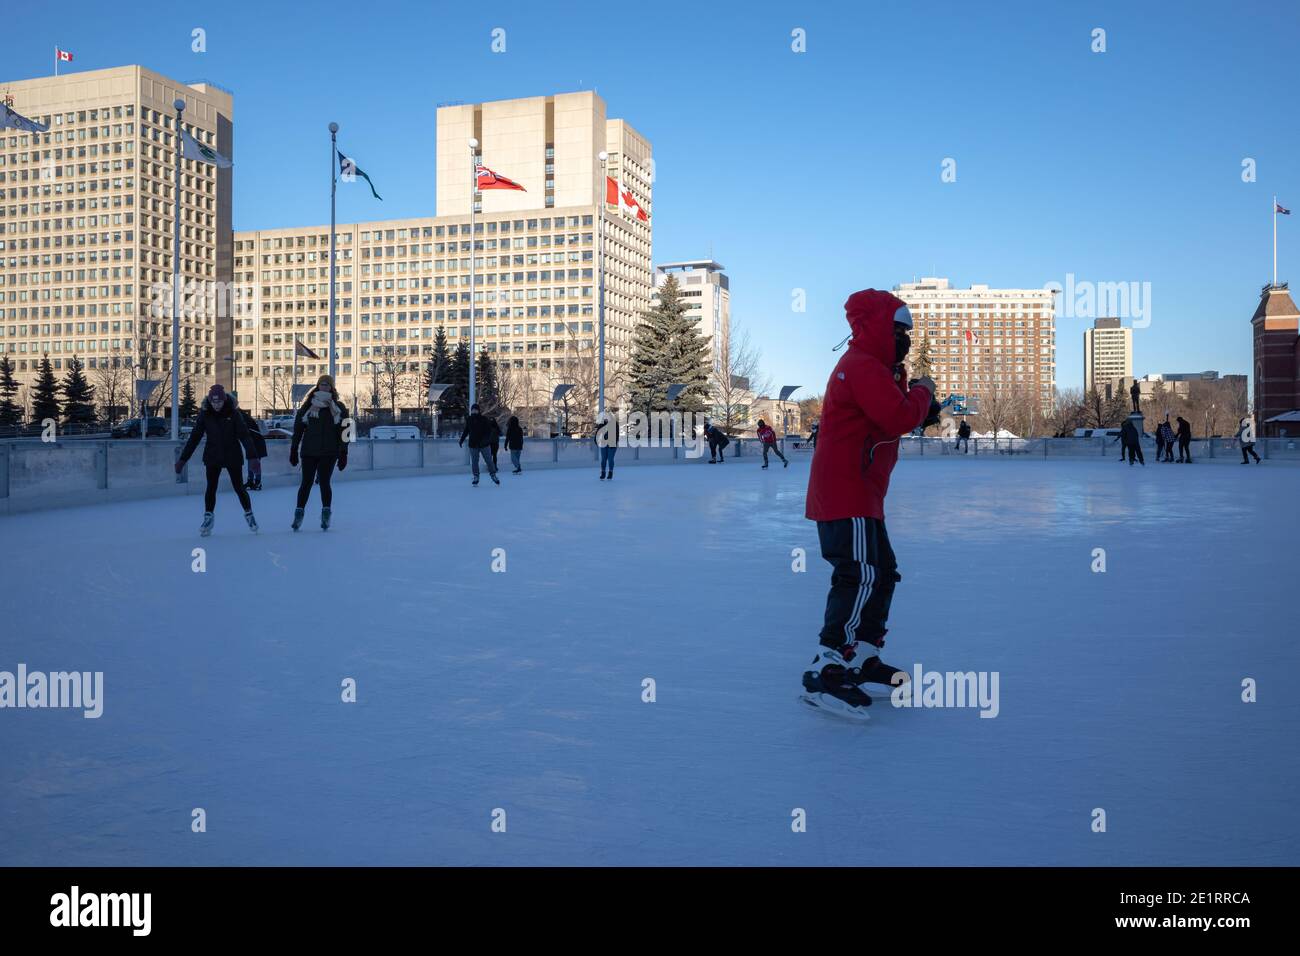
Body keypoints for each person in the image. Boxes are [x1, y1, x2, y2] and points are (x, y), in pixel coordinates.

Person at [801, 289, 935, 718]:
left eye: (907, 332)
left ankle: (859, 657)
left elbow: (892, 416)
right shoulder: (861, 366)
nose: (904, 339)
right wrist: (923, 394)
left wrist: (917, 401)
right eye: (898, 331)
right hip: (847, 493)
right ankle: (827, 664)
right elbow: (897, 417)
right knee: (858, 574)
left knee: (883, 572)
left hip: (862, 494)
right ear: (878, 328)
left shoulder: (875, 369)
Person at [174, 383, 259, 536]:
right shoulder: (205, 414)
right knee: (211, 487)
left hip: (232, 455)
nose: (217, 405)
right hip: (213, 455)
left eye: (219, 402)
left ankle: (249, 514)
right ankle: (208, 517)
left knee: (239, 487)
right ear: (209, 401)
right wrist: (183, 459)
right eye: (214, 402)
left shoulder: (233, 413)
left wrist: (252, 457)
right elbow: (194, 438)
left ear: (224, 399)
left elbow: (244, 436)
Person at [289, 374, 349, 530]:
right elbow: (298, 429)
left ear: (332, 388)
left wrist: (344, 453)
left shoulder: (339, 407)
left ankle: (326, 513)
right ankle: (299, 512)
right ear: (317, 386)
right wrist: (294, 449)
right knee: (306, 483)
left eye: (327, 385)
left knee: (324, 482)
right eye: (321, 384)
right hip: (309, 451)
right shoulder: (307, 406)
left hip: (330, 452)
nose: (324, 387)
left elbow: (347, 431)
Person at [458, 403, 499, 486]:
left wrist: (486, 440)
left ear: (478, 410)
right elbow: (466, 430)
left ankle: (493, 474)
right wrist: (461, 440)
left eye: (475, 410)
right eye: (472, 410)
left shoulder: (484, 419)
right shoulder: (469, 419)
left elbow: (489, 431)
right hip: (473, 445)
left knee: (489, 460)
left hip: (484, 445)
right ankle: (476, 476)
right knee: (474, 462)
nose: (474, 411)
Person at [239, 407, 268, 491]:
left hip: (256, 443)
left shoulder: (243, 418)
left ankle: (257, 482)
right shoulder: (244, 417)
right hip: (252, 443)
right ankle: (250, 481)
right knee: (251, 462)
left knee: (255, 463)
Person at [595, 412, 619, 479]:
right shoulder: (602, 424)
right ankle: (603, 472)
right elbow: (597, 433)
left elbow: (617, 434)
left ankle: (610, 472)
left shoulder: (614, 424)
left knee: (610, 459)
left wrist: (614, 443)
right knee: (603, 459)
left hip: (612, 444)